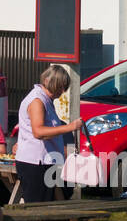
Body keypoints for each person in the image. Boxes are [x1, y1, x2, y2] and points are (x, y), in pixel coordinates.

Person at [15, 64, 82, 203]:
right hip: (35, 163)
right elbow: (38, 132)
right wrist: (70, 127)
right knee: (38, 208)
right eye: (59, 86)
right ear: (48, 81)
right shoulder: (37, 100)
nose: (62, 91)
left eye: (64, 87)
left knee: (54, 202)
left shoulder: (46, 100)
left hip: (47, 161)